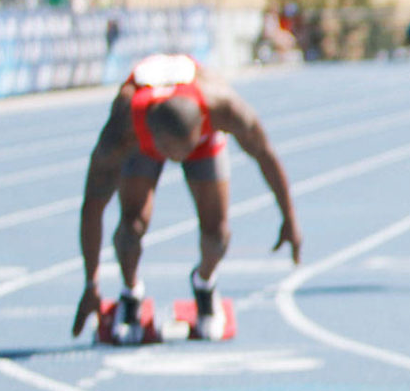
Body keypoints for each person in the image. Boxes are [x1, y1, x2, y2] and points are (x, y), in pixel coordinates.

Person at [73, 54, 302, 344]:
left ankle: (204, 283)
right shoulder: (122, 130)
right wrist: (91, 283)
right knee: (131, 226)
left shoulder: (224, 107)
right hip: (146, 138)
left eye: (183, 151)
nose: (176, 160)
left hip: (196, 135)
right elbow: (92, 205)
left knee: (217, 234)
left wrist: (289, 218)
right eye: (170, 152)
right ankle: (131, 294)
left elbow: (265, 154)